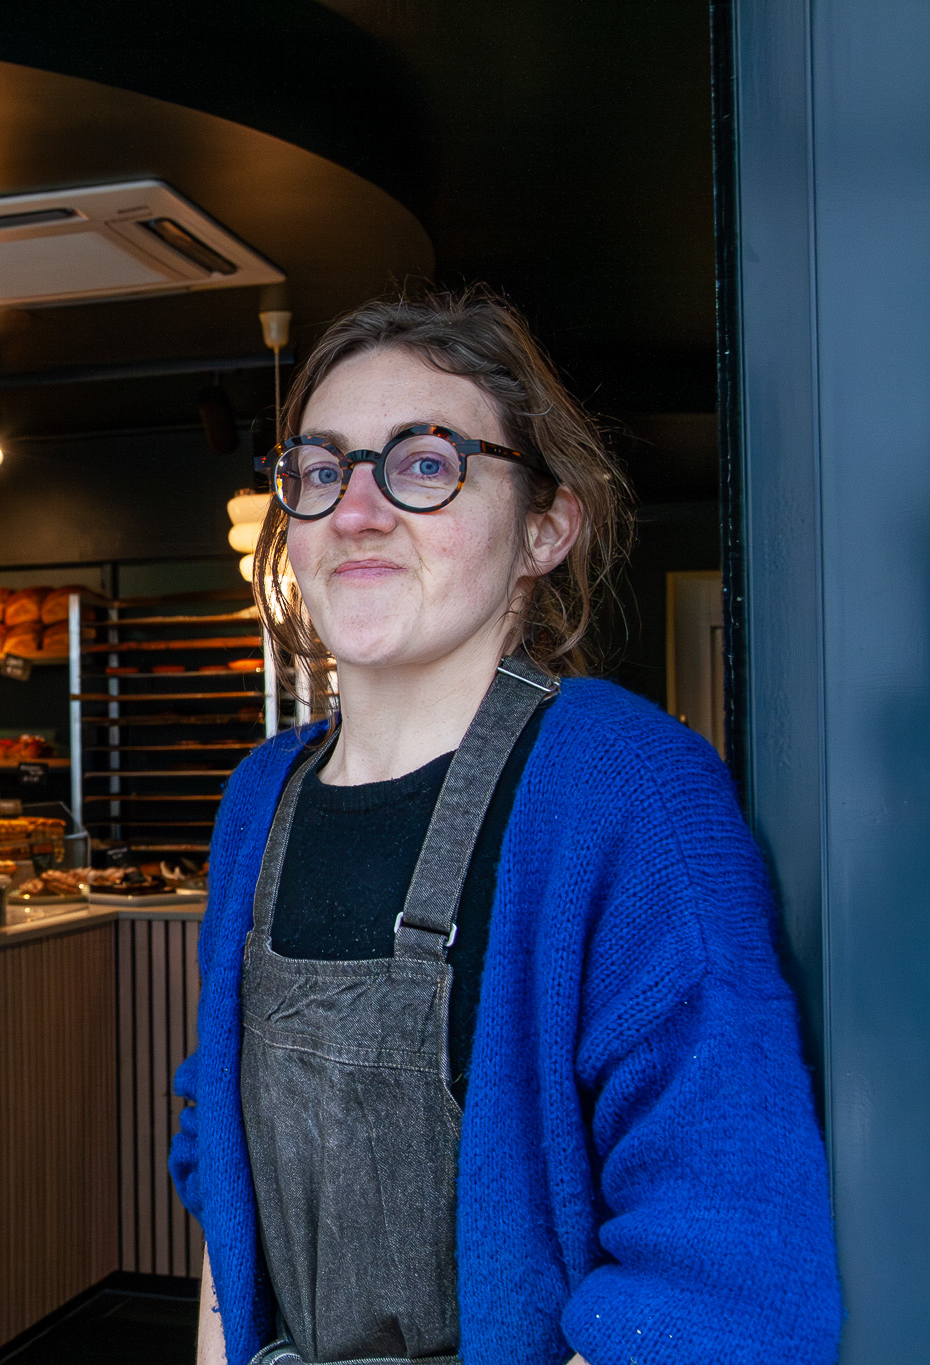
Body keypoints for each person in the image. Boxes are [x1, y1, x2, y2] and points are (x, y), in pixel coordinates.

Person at [171, 289, 840, 1365]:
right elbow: (224, 1181)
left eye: (424, 463)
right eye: (320, 468)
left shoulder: (622, 785)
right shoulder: (260, 797)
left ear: (543, 527)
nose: (355, 511)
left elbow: (723, 1266)